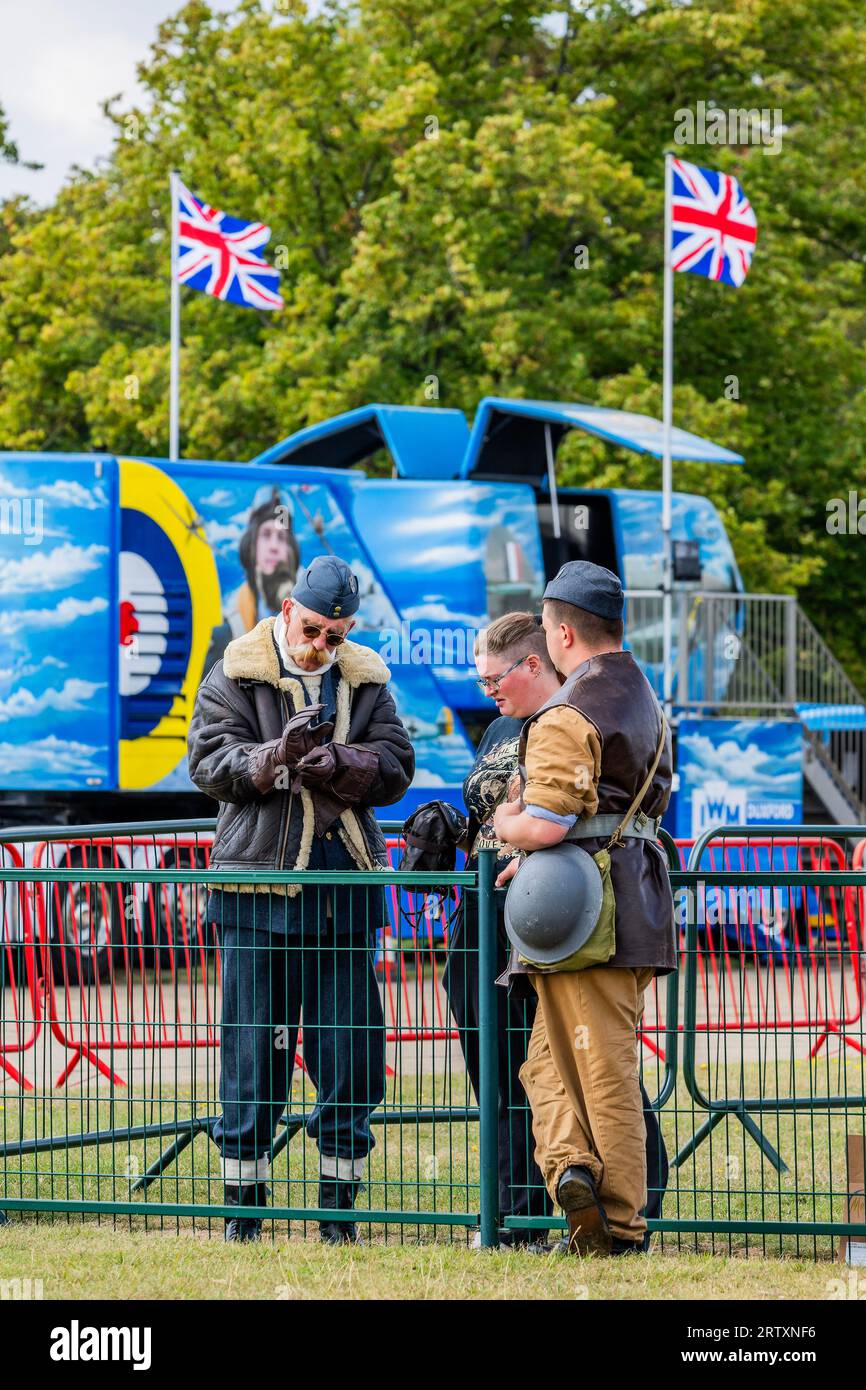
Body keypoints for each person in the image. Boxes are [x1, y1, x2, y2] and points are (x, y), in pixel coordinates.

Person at [188, 554, 415, 1243]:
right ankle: (244, 1211)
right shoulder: (235, 669)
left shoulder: (366, 678)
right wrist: (274, 758)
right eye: (314, 630)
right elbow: (208, 764)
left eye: (336, 636)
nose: (322, 646)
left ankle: (337, 1212)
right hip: (257, 887)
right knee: (254, 1048)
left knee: (348, 1050)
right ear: (288, 612)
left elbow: (399, 764)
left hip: (342, 888)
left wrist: (347, 763)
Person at [493, 561, 675, 1257]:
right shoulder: (642, 695)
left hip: (590, 916)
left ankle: (622, 1228)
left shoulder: (572, 709)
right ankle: (575, 1178)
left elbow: (545, 823)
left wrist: (509, 824)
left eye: (545, 629)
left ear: (563, 631)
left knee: (601, 1072)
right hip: (625, 901)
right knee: (547, 1063)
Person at [442, 612, 561, 1248]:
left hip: (538, 908)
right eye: (481, 680)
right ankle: (510, 1208)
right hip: (482, 907)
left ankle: (578, 1198)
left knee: (546, 1061)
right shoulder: (498, 727)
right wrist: (447, 836)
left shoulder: (564, 721)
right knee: (490, 1059)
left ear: (532, 664)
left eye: (494, 679)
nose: (487, 692)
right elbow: (489, 809)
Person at [234, 487, 300, 633]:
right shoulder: (230, 630)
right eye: (266, 534)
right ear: (251, 545)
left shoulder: (310, 615)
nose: (274, 547)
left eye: (282, 537)